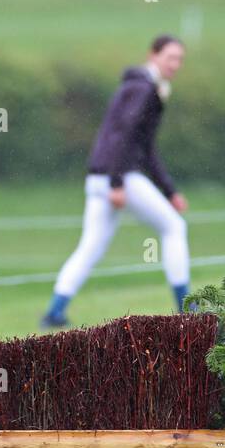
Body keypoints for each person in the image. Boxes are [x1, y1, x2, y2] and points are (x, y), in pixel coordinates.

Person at [40, 35, 191, 328]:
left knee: (90, 246)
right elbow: (126, 136)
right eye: (171, 57)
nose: (176, 64)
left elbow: (145, 147)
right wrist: (118, 182)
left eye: (180, 59)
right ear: (153, 55)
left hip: (99, 178)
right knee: (174, 227)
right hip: (119, 177)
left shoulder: (136, 85)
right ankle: (187, 308)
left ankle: (55, 311)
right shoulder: (145, 88)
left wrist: (169, 190)